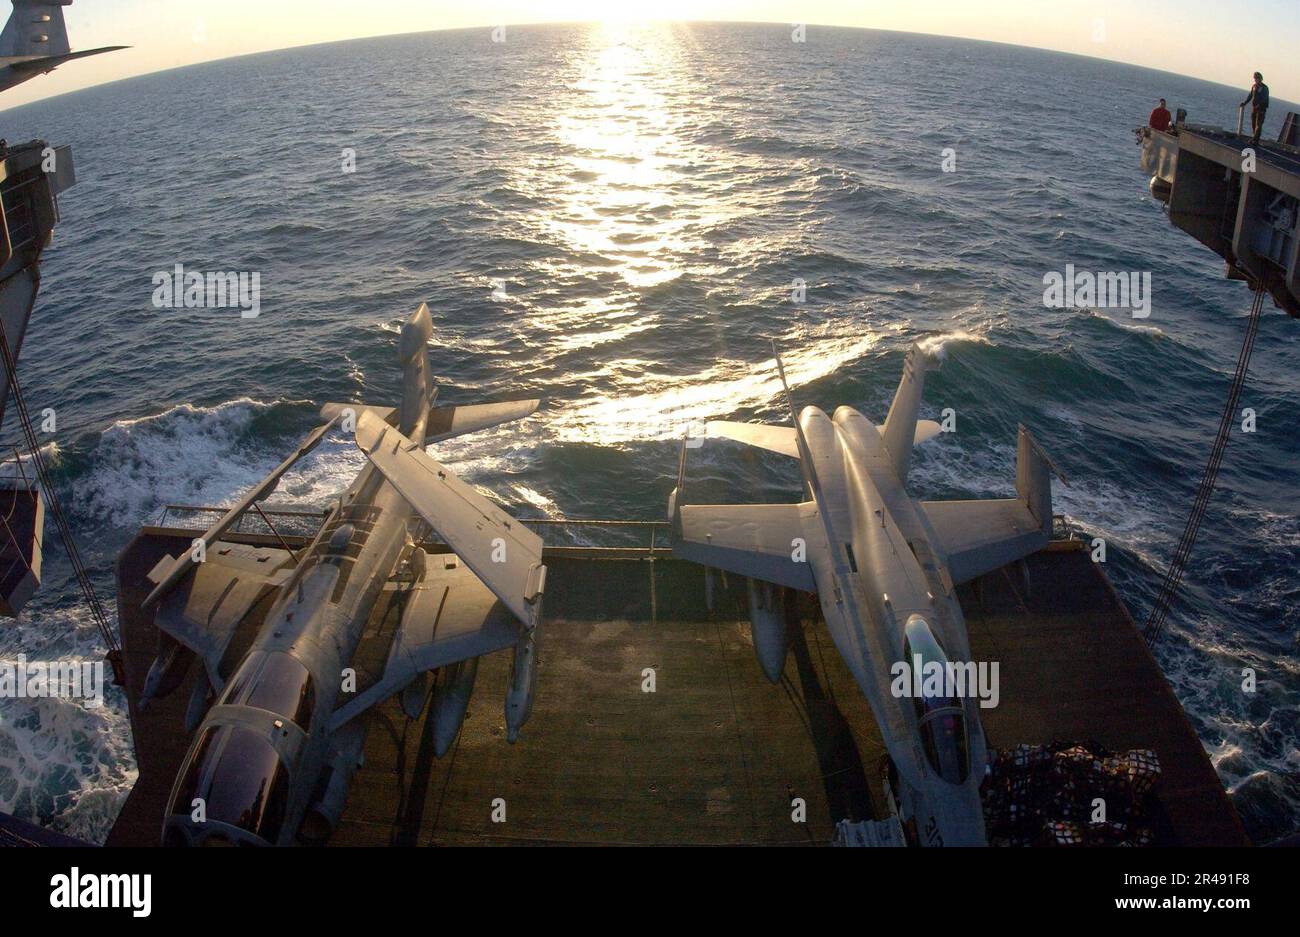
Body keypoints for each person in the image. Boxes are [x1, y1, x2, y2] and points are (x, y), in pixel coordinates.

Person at [1241, 72, 1269, 146]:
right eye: (1255, 78)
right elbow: (1250, 96)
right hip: (1254, 108)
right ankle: (1255, 138)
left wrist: (1259, 105)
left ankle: (1255, 140)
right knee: (1253, 123)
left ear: (1260, 78)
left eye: (1257, 78)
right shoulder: (1254, 86)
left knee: (1258, 124)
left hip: (1261, 109)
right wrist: (1245, 103)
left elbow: (1265, 98)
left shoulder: (1265, 88)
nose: (1255, 80)